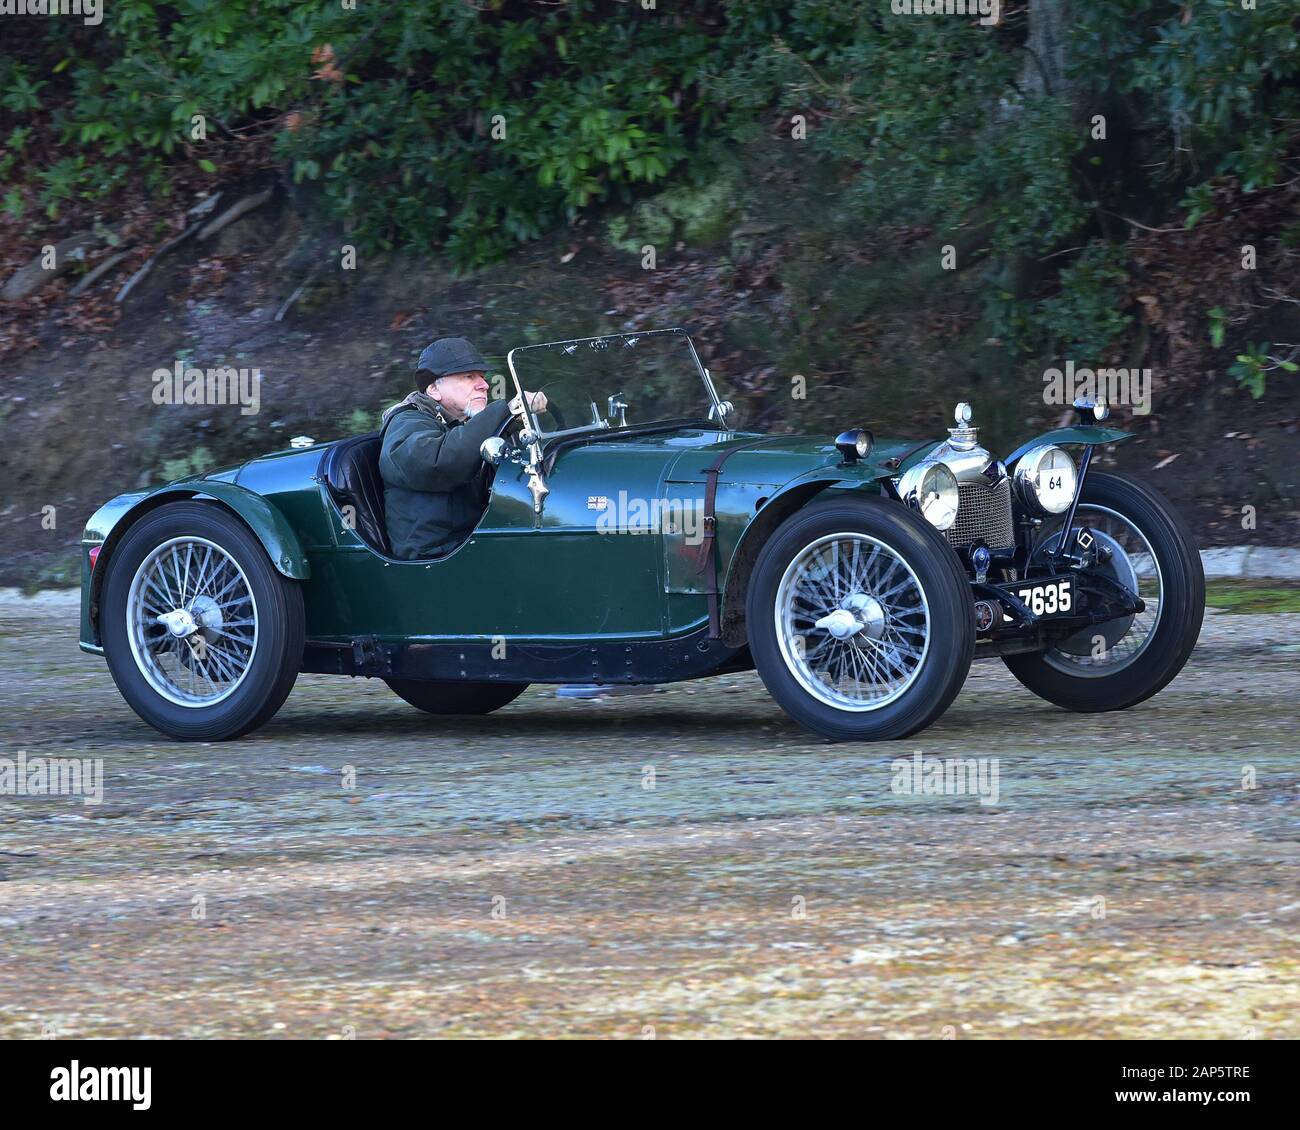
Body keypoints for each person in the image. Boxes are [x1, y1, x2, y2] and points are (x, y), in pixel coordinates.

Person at [379, 337, 546, 559]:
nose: (485, 385)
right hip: (438, 557)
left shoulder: (464, 424)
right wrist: (505, 412)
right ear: (433, 389)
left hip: (476, 542)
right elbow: (438, 463)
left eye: (483, 378)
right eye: (469, 377)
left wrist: (513, 422)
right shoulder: (407, 422)